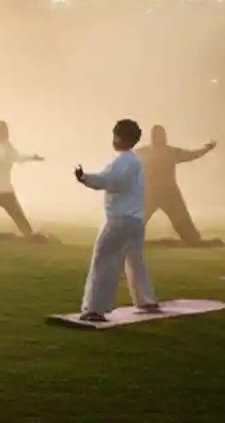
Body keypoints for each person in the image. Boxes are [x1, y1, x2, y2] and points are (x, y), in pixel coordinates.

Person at [74, 119, 158, 322]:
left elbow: (108, 180)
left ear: (122, 137)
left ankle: (94, 309)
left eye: (115, 135)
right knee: (135, 260)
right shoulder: (134, 161)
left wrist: (84, 178)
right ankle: (146, 300)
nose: (113, 140)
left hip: (120, 220)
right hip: (135, 221)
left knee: (103, 261)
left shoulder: (124, 161)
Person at [135, 125, 218, 245]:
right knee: (136, 221)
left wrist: (205, 149)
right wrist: (205, 149)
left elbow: (191, 154)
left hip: (167, 194)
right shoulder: (146, 152)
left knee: (186, 229)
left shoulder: (160, 152)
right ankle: (127, 238)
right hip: (156, 193)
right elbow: (191, 154)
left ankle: (191, 238)